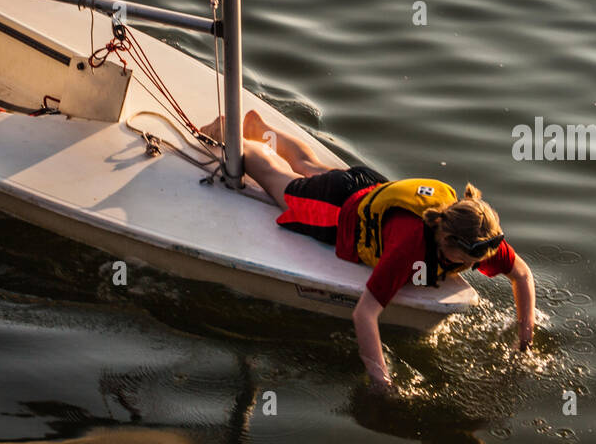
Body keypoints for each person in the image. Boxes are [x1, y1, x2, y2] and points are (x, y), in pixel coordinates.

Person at [202, 109, 536, 392]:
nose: (475, 266)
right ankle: (235, 137)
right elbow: (365, 314)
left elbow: (521, 273)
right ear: (446, 242)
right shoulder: (410, 248)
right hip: (337, 211)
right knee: (279, 182)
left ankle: (261, 129)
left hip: (366, 186)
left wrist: (525, 337)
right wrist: (382, 382)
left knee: (309, 166)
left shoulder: (477, 233)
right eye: (467, 262)